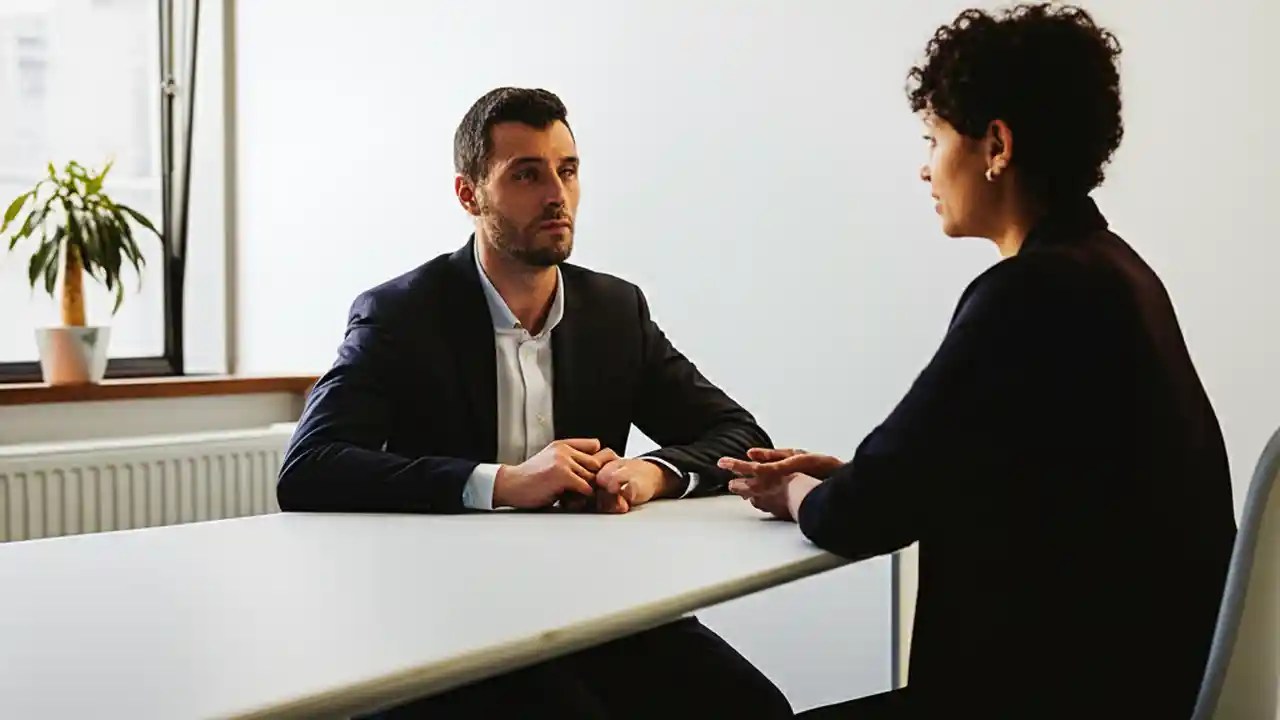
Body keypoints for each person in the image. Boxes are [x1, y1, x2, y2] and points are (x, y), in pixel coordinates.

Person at [722, 5, 1236, 718]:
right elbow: (1017, 475)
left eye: (934, 137)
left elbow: (865, 516)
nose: (924, 166)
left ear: (995, 145)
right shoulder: (1120, 274)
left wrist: (797, 495)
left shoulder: (1030, 292)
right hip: (1144, 685)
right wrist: (851, 479)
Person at [277, 87, 791, 719]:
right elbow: (309, 467)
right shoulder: (400, 314)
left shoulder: (614, 310)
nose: (557, 194)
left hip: (596, 606)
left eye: (567, 171)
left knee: (755, 709)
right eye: (527, 174)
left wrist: (651, 473)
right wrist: (502, 483)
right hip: (448, 625)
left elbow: (737, 432)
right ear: (470, 194)